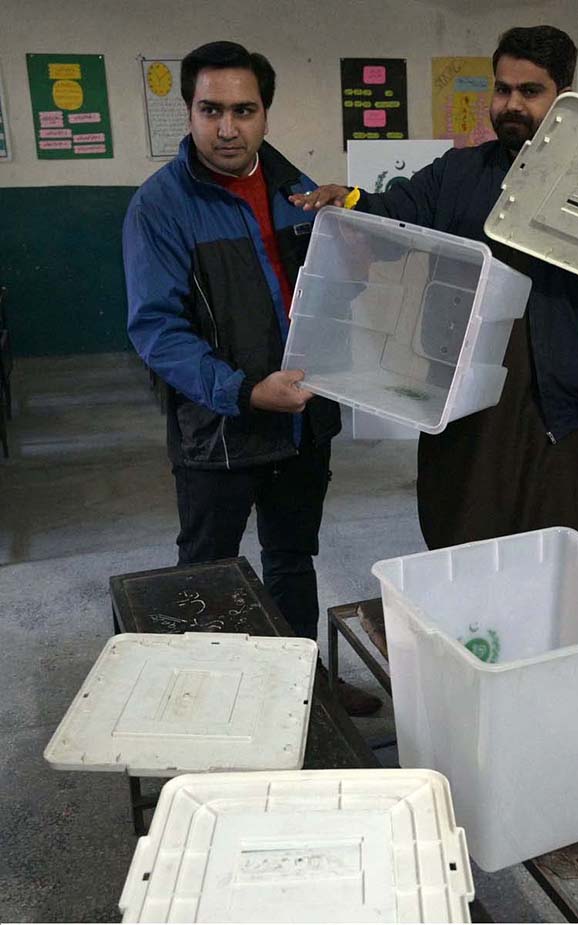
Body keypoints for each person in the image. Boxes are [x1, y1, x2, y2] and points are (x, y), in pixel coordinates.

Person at [294, 26, 578, 550]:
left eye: (530, 91)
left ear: (565, 97)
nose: (511, 104)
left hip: (557, 410)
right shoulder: (457, 174)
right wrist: (351, 202)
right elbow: (394, 217)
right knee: (460, 541)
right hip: (465, 404)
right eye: (502, 89)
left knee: (549, 557)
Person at [123, 41, 380, 716]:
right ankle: (206, 705)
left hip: (301, 419)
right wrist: (241, 390)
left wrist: (357, 263)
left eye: (244, 109)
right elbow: (156, 329)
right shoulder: (161, 206)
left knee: (292, 556)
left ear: (266, 112)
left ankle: (302, 684)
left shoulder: (301, 193)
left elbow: (332, 298)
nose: (227, 127)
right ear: (189, 110)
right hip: (219, 427)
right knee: (206, 571)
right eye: (211, 110)